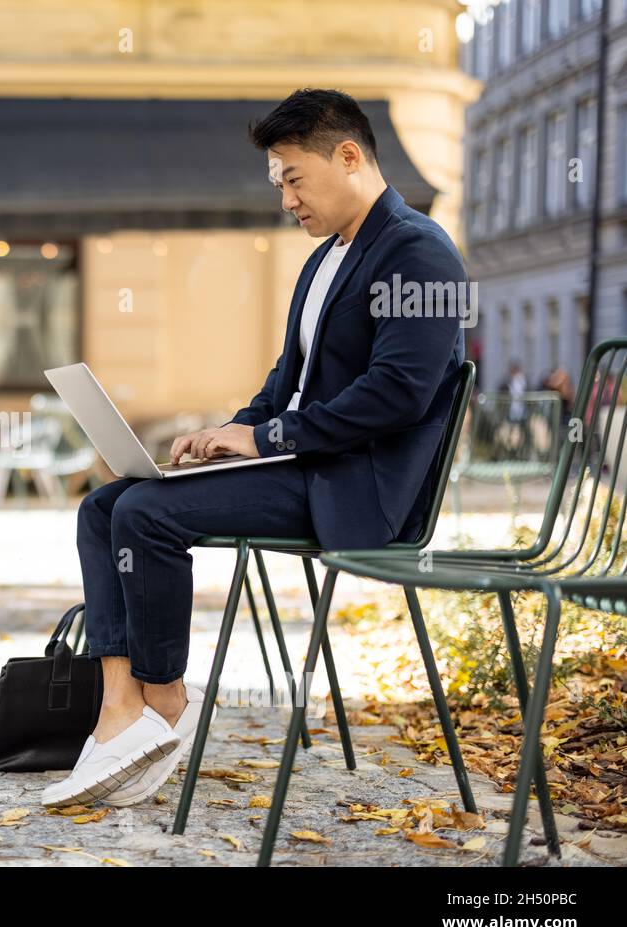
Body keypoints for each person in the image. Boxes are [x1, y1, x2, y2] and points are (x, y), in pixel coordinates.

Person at [45, 89, 466, 811]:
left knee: (144, 515)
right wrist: (224, 437)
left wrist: (267, 439)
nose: (286, 201)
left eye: (294, 179)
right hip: (301, 465)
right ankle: (120, 705)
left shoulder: (417, 250)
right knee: (102, 506)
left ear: (349, 156)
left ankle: (168, 705)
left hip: (356, 489)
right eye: (278, 185)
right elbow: (285, 386)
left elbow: (399, 392)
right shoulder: (325, 260)